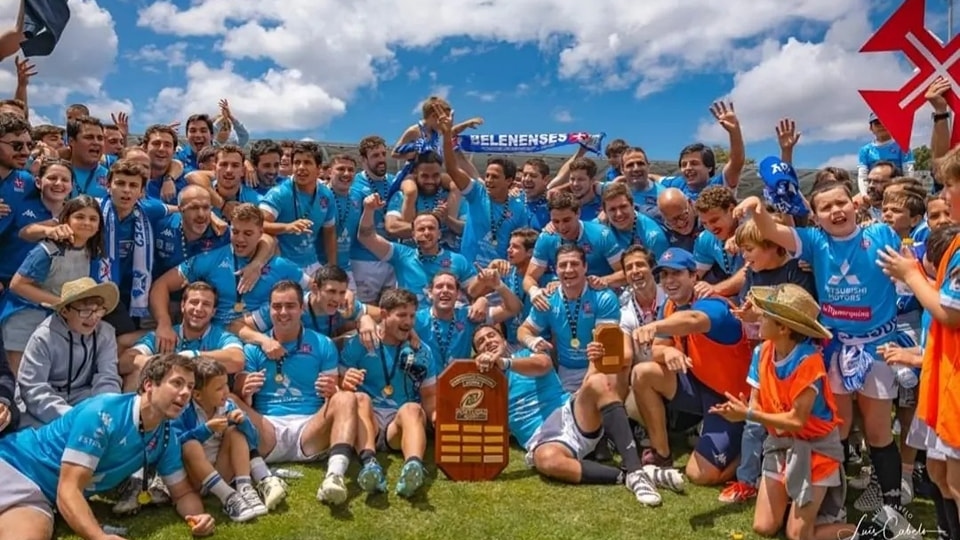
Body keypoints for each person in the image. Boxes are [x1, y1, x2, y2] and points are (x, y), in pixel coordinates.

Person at [711, 284, 910, 540]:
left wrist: (748, 415)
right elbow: (757, 404)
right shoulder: (761, 353)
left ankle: (875, 532)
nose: (759, 317)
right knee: (763, 527)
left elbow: (796, 420)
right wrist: (739, 409)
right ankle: (801, 510)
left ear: (783, 328)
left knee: (798, 536)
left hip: (816, 450)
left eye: (766, 315)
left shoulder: (809, 362)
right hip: (779, 445)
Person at [0, 353, 216, 540]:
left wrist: (198, 516)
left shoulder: (167, 436)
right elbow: (69, 489)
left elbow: (182, 493)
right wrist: (98, 536)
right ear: (149, 385)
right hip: (11, 465)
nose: (186, 392)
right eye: (177, 383)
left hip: (39, 499)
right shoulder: (103, 412)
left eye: (190, 386)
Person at [472, 324, 666, 506]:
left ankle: (634, 467)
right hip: (543, 440)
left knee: (597, 382)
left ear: (504, 340)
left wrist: (504, 363)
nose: (488, 341)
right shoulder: (480, 383)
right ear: (477, 353)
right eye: (481, 342)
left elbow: (542, 364)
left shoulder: (527, 353)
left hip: (570, 415)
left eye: (491, 335)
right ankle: (631, 475)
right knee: (546, 461)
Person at [630, 247, 753, 486]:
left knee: (700, 475)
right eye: (664, 275)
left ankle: (753, 450)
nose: (669, 280)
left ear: (694, 276)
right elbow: (656, 350)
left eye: (676, 273)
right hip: (697, 386)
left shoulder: (715, 305)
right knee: (642, 372)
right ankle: (662, 455)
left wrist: (655, 327)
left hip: (730, 398)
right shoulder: (670, 307)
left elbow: (694, 321)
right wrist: (668, 350)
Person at [235, 281, 360, 506]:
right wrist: (244, 391)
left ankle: (335, 477)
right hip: (268, 430)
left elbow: (331, 394)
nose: (283, 312)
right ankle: (263, 476)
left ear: (301, 308)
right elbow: (242, 398)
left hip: (310, 430)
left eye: (290, 306)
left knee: (346, 397)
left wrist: (333, 391)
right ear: (270, 309)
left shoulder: (322, 344)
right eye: (277, 306)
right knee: (229, 400)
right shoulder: (253, 348)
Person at [339, 287, 438, 498]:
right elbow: (338, 380)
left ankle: (413, 467)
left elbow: (430, 396)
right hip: (368, 421)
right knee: (359, 398)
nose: (409, 322)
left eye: (412, 316)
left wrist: (437, 420)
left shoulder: (421, 351)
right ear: (384, 315)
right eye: (401, 315)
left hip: (398, 425)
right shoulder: (361, 342)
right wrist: (345, 380)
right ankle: (370, 464)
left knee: (413, 408)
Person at [173, 358, 282, 522]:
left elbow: (253, 441)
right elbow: (175, 444)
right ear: (197, 395)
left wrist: (244, 422)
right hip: (195, 478)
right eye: (218, 388)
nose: (226, 391)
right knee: (191, 445)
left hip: (222, 472)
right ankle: (229, 498)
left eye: (225, 384)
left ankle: (245, 488)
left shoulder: (228, 405)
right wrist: (206, 430)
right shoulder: (184, 410)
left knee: (235, 432)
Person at [17, 277, 122, 427]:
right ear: (65, 311)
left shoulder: (105, 333)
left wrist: (105, 410)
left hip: (85, 401)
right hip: (43, 407)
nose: (93, 318)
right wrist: (70, 416)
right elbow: (33, 389)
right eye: (85, 311)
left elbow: (108, 377)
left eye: (98, 310)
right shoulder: (43, 338)